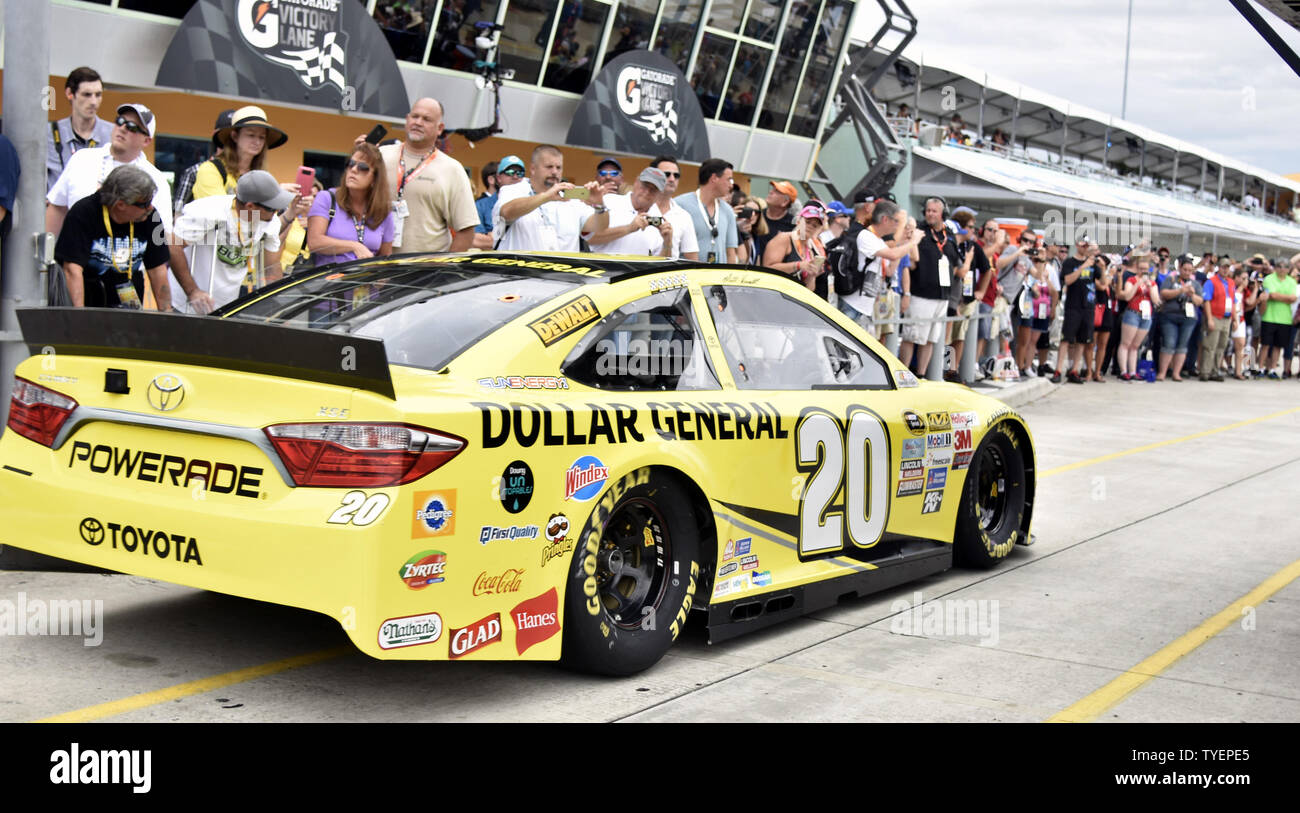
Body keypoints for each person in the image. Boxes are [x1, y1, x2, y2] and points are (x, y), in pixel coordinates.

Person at [53, 166, 200, 311]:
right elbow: (72, 269)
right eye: (144, 204)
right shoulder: (83, 213)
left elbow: (158, 270)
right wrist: (78, 316)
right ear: (121, 204)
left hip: (128, 303)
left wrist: (166, 313)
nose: (150, 208)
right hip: (89, 301)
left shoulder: (151, 217)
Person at [167, 170, 292, 313]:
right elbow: (172, 246)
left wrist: (278, 306)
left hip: (227, 308)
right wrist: (192, 291)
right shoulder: (208, 211)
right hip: (186, 304)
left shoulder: (270, 222)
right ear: (250, 206)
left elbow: (271, 267)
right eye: (272, 208)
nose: (276, 212)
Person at [46, 103, 173, 235]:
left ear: (146, 141)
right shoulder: (82, 159)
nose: (123, 128)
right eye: (120, 121)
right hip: (76, 251)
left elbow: (162, 233)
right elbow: (57, 208)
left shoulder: (156, 179)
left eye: (132, 127)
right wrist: (47, 252)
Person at [379, 97, 479, 252]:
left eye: (426, 119)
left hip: (424, 271)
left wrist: (443, 272)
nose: (418, 122)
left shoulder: (453, 169)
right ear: (407, 119)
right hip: (375, 267)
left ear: (439, 128)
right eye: (415, 116)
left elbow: (466, 232)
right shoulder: (380, 157)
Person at [492, 144, 609, 252]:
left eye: (559, 167)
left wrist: (599, 204)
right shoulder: (513, 190)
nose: (554, 172)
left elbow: (600, 227)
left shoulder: (571, 200)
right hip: (519, 273)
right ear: (533, 169)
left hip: (561, 273)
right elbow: (506, 212)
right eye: (549, 167)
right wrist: (546, 196)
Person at [307, 143, 395, 266]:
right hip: (329, 281)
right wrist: (354, 246)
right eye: (351, 164)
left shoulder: (384, 211)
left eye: (363, 167)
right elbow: (314, 242)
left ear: (375, 179)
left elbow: (385, 258)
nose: (353, 170)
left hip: (366, 281)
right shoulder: (327, 198)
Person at [839, 199, 919, 333]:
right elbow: (892, 255)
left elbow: (889, 270)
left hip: (866, 308)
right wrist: (913, 242)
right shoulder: (866, 236)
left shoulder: (879, 241)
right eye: (896, 221)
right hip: (852, 304)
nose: (897, 226)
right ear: (885, 219)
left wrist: (902, 243)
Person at [899, 197, 957, 376]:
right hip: (920, 293)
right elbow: (912, 262)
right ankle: (903, 373)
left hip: (942, 295)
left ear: (942, 214)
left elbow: (955, 264)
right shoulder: (920, 232)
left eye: (934, 211)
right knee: (912, 336)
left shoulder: (950, 235)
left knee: (930, 339)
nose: (930, 214)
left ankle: (921, 374)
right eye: (928, 210)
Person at [191, 105, 288, 202]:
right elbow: (219, 212)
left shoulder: (261, 178)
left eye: (262, 137)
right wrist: (271, 197)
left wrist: (289, 213)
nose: (257, 142)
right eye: (251, 135)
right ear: (235, 136)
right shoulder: (211, 169)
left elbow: (254, 217)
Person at [46, 67, 115, 192]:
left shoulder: (114, 135)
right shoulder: (49, 134)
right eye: (87, 95)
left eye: (98, 95)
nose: (94, 102)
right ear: (69, 94)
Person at [586, 167, 674, 256]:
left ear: (660, 194)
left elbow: (662, 265)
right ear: (636, 182)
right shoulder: (609, 201)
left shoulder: (660, 220)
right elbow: (589, 239)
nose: (647, 191)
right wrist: (628, 228)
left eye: (653, 189)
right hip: (603, 268)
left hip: (639, 269)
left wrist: (667, 243)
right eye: (645, 185)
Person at [1054, 237, 1102, 384]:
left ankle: (1074, 369)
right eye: (1083, 245)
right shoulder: (1070, 262)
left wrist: (1102, 267)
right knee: (1066, 339)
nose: (1085, 248)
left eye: (1087, 246)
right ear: (1077, 245)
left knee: (1082, 340)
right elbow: (1067, 280)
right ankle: (1058, 370)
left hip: (1088, 306)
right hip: (1073, 306)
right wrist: (1083, 266)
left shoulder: (1093, 264)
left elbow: (1103, 282)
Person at [174, 109, 236, 218]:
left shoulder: (246, 174)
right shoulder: (194, 171)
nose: (232, 138)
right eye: (227, 133)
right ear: (216, 135)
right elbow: (178, 213)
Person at [675, 158, 738, 264]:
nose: (731, 185)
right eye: (728, 179)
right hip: (688, 276)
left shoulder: (728, 211)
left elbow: (730, 252)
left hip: (718, 278)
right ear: (714, 178)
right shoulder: (679, 205)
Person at [950, 210, 988, 376]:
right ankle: (941, 368)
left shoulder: (973, 247)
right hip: (951, 298)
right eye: (971, 227)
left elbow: (987, 270)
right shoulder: (950, 243)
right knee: (947, 336)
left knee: (959, 336)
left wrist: (981, 291)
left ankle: (953, 369)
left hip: (967, 299)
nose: (974, 231)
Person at [1155, 257, 1203, 382]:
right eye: (1185, 269)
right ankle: (1162, 372)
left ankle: (1177, 373)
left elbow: (1200, 301)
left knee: (1182, 345)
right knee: (1169, 343)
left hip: (1188, 318)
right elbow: (1163, 293)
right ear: (1180, 268)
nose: (1187, 272)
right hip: (1170, 316)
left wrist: (1191, 294)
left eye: (1189, 270)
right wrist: (1181, 290)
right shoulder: (1171, 279)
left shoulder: (1195, 284)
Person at [762, 204, 828, 291]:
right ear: (798, 221)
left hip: (792, 297)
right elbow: (767, 268)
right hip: (773, 292)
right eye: (807, 222)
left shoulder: (811, 249)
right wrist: (798, 265)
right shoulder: (784, 238)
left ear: (819, 230)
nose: (810, 227)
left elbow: (809, 290)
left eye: (815, 226)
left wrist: (812, 275)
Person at [1116, 255, 1159, 381]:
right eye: (1141, 269)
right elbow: (1128, 296)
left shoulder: (1152, 283)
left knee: (1135, 345)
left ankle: (1133, 371)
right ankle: (1124, 370)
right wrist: (1138, 284)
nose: (1143, 272)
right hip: (1133, 313)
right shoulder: (1131, 280)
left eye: (1146, 269)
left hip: (1145, 315)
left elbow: (1156, 300)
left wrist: (1149, 287)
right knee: (1126, 343)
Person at [648, 155, 699, 260]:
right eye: (666, 174)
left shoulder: (684, 216)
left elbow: (692, 259)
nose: (672, 179)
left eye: (676, 176)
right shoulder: (638, 207)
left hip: (667, 274)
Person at [1257, 258, 1298, 378]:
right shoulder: (1269, 278)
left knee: (1277, 346)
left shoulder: (1292, 281)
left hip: (1285, 319)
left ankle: (1272, 369)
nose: (1282, 269)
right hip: (1269, 317)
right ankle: (1261, 368)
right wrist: (1285, 298)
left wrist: (1277, 296)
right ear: (1276, 268)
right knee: (1265, 345)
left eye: (1285, 267)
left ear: (1288, 269)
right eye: (1279, 266)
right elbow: (1272, 295)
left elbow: (1293, 298)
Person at [474, 155, 524, 249]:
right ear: (498, 178)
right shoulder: (482, 205)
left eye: (520, 173)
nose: (515, 176)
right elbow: (474, 240)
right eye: (509, 172)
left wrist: (492, 236)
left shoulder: (534, 203)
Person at [1198, 257, 1236, 381]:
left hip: (1226, 318)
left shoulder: (1231, 282)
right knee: (1210, 345)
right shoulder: (1211, 282)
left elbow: (1233, 302)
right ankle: (1205, 371)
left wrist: (1234, 319)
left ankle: (1215, 371)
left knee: (1221, 346)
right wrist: (1209, 319)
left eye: (1227, 267)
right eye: (1223, 267)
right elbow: (1207, 301)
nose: (1225, 270)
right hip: (1215, 316)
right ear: (1218, 268)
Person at [1015, 255, 1053, 378]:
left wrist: (1033, 287)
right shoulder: (1017, 273)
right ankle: (1017, 365)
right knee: (1016, 338)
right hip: (1016, 309)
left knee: (1025, 341)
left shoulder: (1033, 278)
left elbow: (1036, 294)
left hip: (1028, 310)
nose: (1034, 263)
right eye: (1033, 260)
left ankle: (1022, 367)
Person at [1085, 255, 1115, 382]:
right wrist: (1105, 273)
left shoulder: (1108, 274)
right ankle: (1088, 371)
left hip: (1106, 311)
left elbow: (1109, 285)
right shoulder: (1093, 275)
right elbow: (1102, 286)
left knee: (1103, 344)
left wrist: (1105, 271)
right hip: (1095, 308)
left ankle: (1097, 372)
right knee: (1091, 343)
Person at [758, 180, 797, 258]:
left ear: (785, 202)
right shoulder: (758, 215)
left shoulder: (793, 225)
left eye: (777, 191)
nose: (771, 192)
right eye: (772, 189)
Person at [1230, 266, 1253, 379]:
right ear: (1237, 277)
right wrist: (1240, 288)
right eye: (1243, 278)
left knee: (1241, 345)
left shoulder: (1246, 290)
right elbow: (1232, 299)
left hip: (1241, 319)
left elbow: (1250, 301)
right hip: (1229, 318)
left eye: (1247, 279)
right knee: (1224, 346)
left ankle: (1238, 371)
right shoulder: (1231, 286)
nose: (1246, 281)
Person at [734, 197, 766, 266]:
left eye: (757, 212)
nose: (753, 215)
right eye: (749, 211)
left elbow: (757, 263)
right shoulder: (733, 231)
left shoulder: (755, 236)